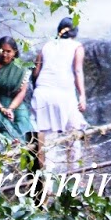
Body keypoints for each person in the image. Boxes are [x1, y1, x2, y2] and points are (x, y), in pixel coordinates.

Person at [32, 17, 85, 172]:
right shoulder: (77, 47)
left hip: (42, 93)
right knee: (73, 134)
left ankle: (47, 178)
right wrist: (82, 95)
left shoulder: (46, 46)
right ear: (75, 32)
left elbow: (35, 72)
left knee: (48, 139)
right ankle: (74, 174)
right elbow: (78, 71)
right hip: (64, 94)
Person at [0, 36, 33, 140]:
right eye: (2, 51)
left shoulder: (21, 66)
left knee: (23, 120)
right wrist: (2, 109)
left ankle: (26, 143)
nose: (4, 54)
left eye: (8, 51)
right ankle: (15, 142)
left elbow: (22, 92)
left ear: (15, 52)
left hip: (15, 102)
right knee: (5, 124)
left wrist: (10, 109)